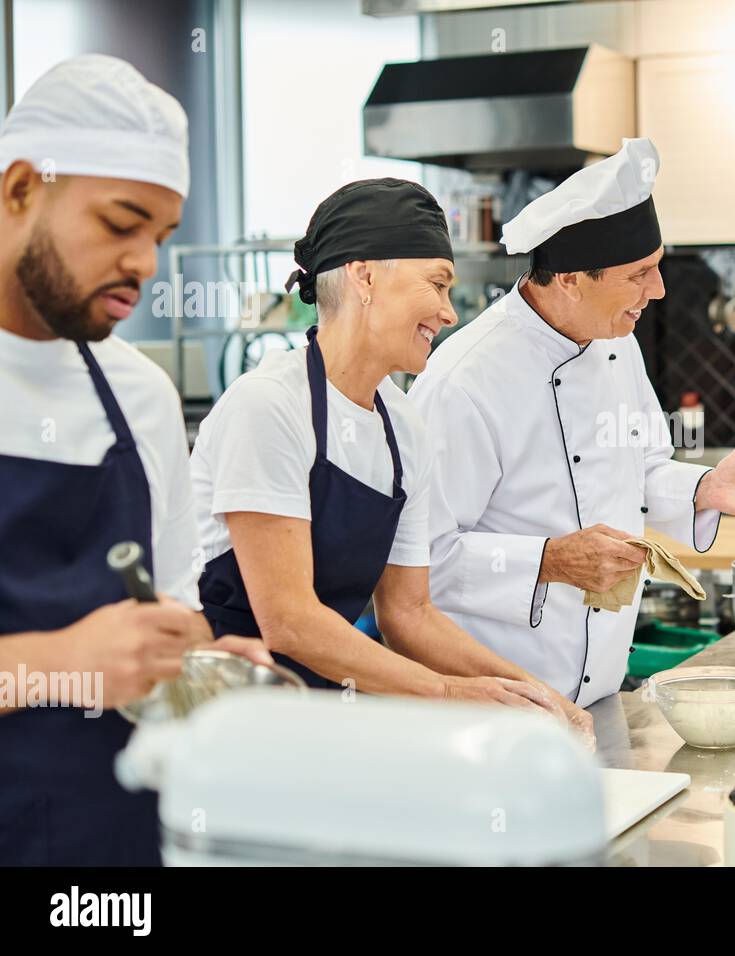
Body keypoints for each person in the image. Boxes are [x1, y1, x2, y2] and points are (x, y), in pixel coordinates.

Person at [408, 139, 735, 707]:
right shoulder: (464, 382)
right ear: (571, 279)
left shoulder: (614, 343)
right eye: (639, 274)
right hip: (498, 702)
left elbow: (641, 468)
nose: (659, 291)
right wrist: (550, 560)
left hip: (601, 695)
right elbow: (419, 566)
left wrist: (705, 487)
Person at [191, 178, 593, 736]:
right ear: (365, 276)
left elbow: (409, 615)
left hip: (319, 716)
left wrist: (531, 694)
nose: (450, 313)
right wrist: (450, 692)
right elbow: (288, 621)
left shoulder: (403, 428)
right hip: (219, 714)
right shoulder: (269, 407)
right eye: (438, 284)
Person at [0, 55, 269, 865]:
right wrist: (55, 666)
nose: (147, 266)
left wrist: (194, 660)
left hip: (112, 845)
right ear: (19, 189)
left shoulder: (140, 395)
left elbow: (172, 603)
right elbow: (77, 661)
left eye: (160, 236)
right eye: (121, 224)